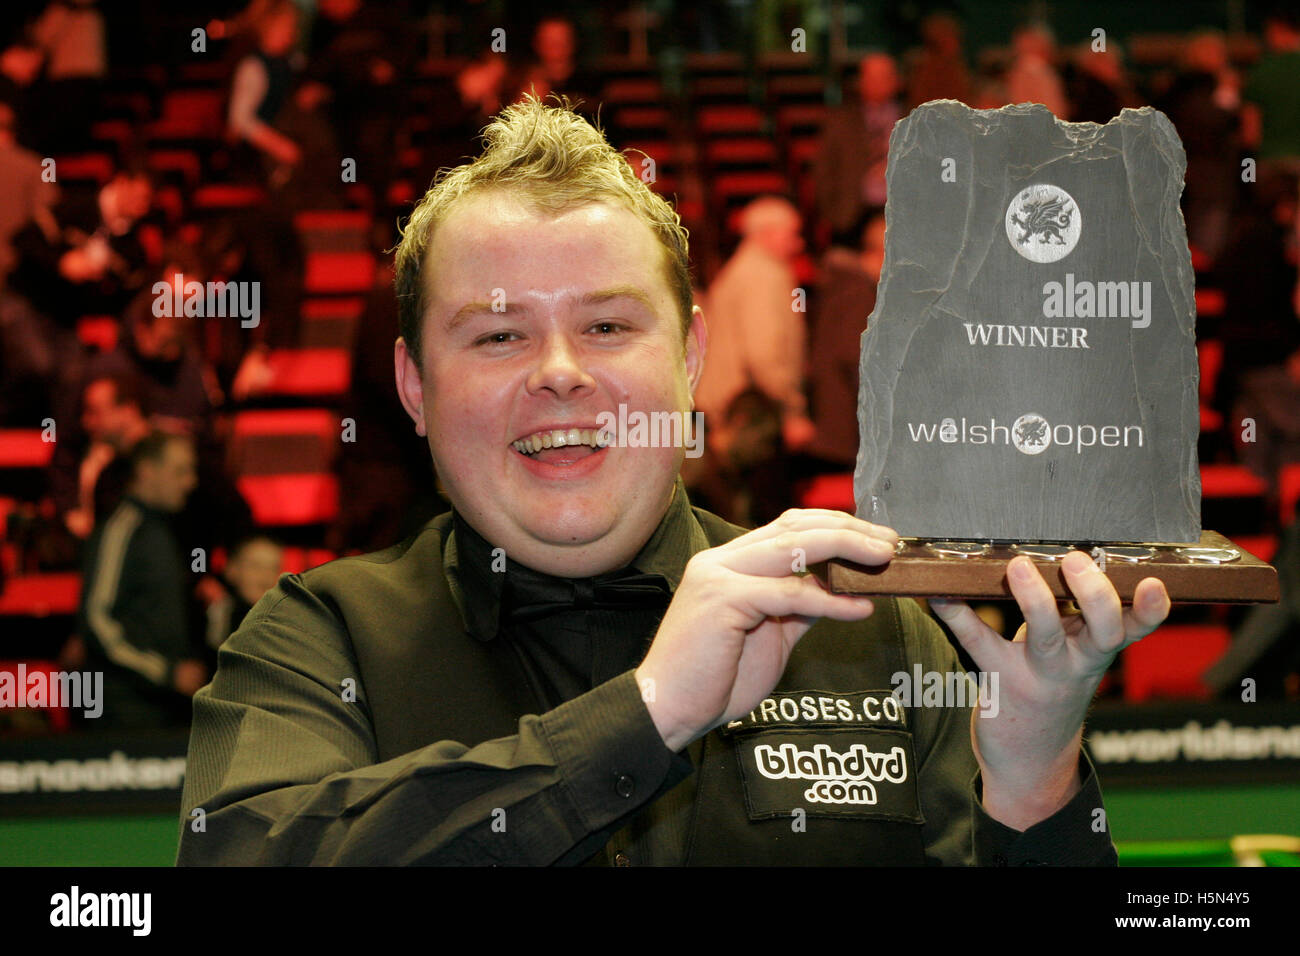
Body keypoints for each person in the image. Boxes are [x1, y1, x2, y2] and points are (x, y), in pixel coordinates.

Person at [176, 96, 1171, 866]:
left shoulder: (869, 628)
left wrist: (1034, 789)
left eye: (608, 325)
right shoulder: (316, 640)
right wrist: (645, 713)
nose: (559, 369)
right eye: (496, 334)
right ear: (414, 386)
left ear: (691, 354)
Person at [77, 429, 209, 728]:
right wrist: (165, 672)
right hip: (124, 709)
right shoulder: (122, 529)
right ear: (147, 471)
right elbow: (96, 619)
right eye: (180, 471)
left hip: (162, 704)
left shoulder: (162, 529)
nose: (191, 482)